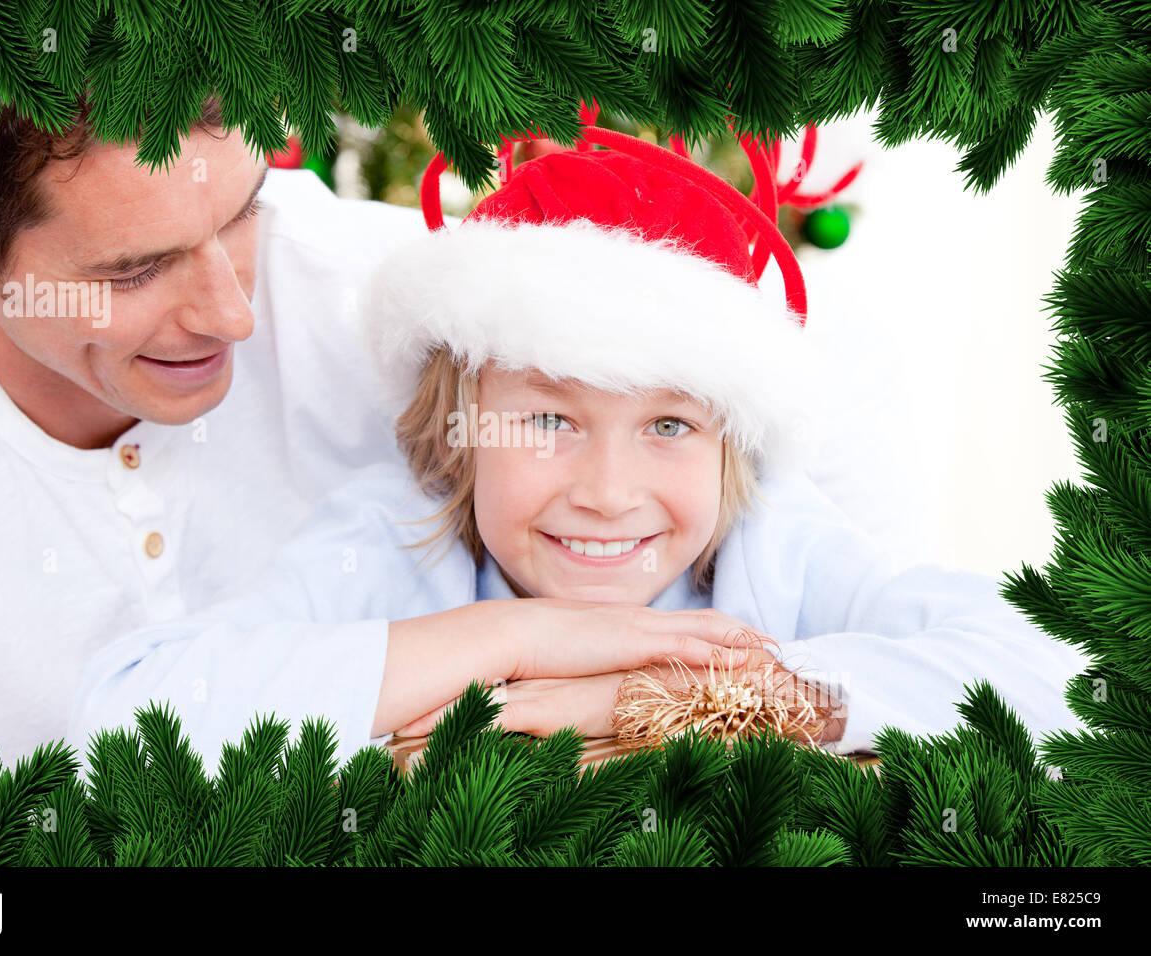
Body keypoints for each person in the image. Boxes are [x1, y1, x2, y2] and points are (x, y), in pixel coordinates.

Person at [69, 127, 1093, 763]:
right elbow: (124, 719)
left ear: (729, 445)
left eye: (669, 425)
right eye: (548, 420)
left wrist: (644, 698)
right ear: (458, 434)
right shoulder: (398, 536)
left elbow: (1057, 675)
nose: (609, 492)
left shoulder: (767, 541)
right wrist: (516, 642)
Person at [0, 93, 745, 766]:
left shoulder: (430, 305)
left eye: (241, 212)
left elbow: (818, 522)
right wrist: (512, 639)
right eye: (136, 270)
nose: (233, 314)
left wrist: (671, 699)